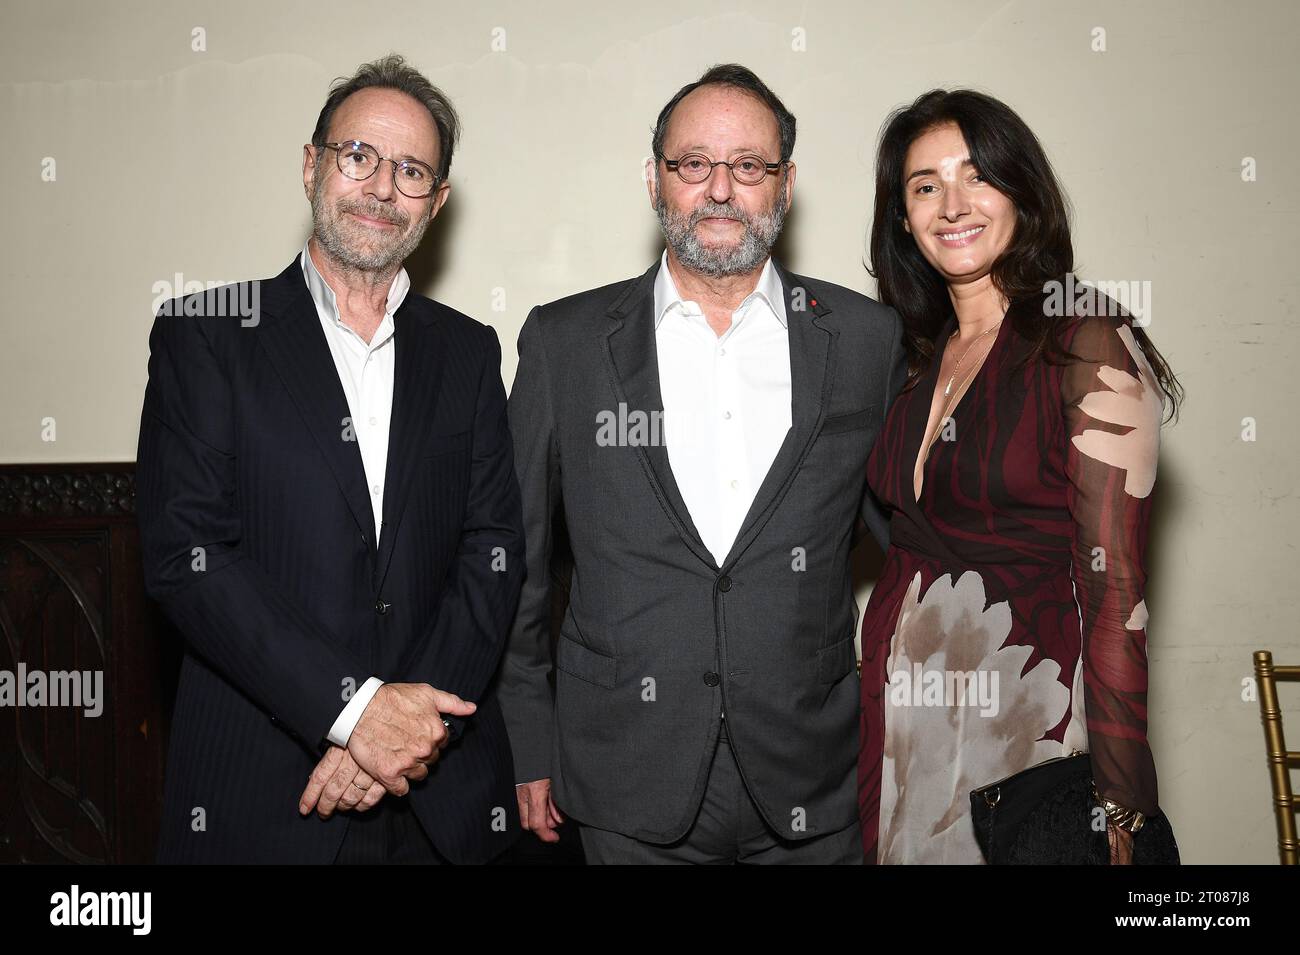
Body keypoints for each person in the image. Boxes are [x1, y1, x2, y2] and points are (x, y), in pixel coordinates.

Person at [499, 64, 905, 864]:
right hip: (623, 774)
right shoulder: (565, 344)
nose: (720, 188)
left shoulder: (864, 340)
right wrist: (527, 737)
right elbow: (518, 560)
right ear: (655, 178)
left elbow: (913, 547)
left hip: (813, 775)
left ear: (785, 185)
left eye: (748, 166)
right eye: (694, 164)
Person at [136, 54, 525, 863]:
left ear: (438, 201)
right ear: (312, 166)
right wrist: (355, 715)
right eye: (360, 156)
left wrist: (405, 729)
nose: (383, 187)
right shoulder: (206, 333)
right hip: (263, 800)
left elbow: (491, 559)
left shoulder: (469, 352)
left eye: (411, 170)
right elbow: (188, 558)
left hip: (440, 805)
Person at [857, 89, 1181, 864]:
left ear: (1021, 192)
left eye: (977, 177)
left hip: (1029, 725)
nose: (952, 204)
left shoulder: (1085, 341)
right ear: (903, 217)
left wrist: (1122, 795)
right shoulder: (911, 359)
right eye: (925, 186)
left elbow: (1116, 591)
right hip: (906, 725)